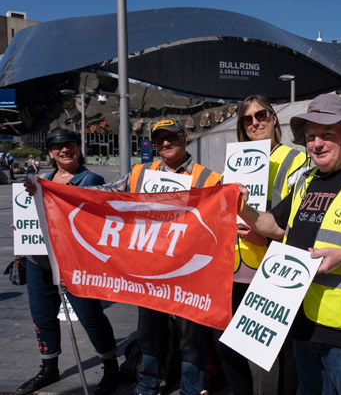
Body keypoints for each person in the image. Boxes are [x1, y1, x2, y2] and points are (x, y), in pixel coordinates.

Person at [237, 94, 341, 395]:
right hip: (301, 321)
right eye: (311, 136)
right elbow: (275, 226)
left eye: (327, 134)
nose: (317, 144)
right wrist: (242, 207)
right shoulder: (305, 180)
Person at [93, 118, 221, 395]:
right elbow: (107, 193)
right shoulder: (140, 173)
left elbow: (220, 219)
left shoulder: (209, 179)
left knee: (191, 336)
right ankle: (147, 383)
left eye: (171, 137)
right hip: (149, 268)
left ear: (185, 138)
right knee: (149, 331)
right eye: (159, 139)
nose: (165, 143)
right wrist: (62, 191)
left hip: (189, 272)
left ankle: (191, 388)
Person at [215, 94, 307, 395]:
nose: (255, 122)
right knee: (228, 346)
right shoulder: (233, 163)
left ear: (273, 118)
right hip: (234, 269)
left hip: (274, 266)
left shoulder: (296, 159)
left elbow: (298, 217)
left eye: (261, 115)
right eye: (247, 119)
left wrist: (263, 234)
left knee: (286, 350)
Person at [18, 128, 121, 395]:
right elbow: (32, 213)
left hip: (76, 261)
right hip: (39, 259)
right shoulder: (41, 180)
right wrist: (21, 223)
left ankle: (111, 367)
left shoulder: (91, 179)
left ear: (78, 148)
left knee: (90, 315)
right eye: (57, 146)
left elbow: (99, 219)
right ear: (50, 153)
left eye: (70, 144)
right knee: (42, 316)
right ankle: (49, 367)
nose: (64, 150)